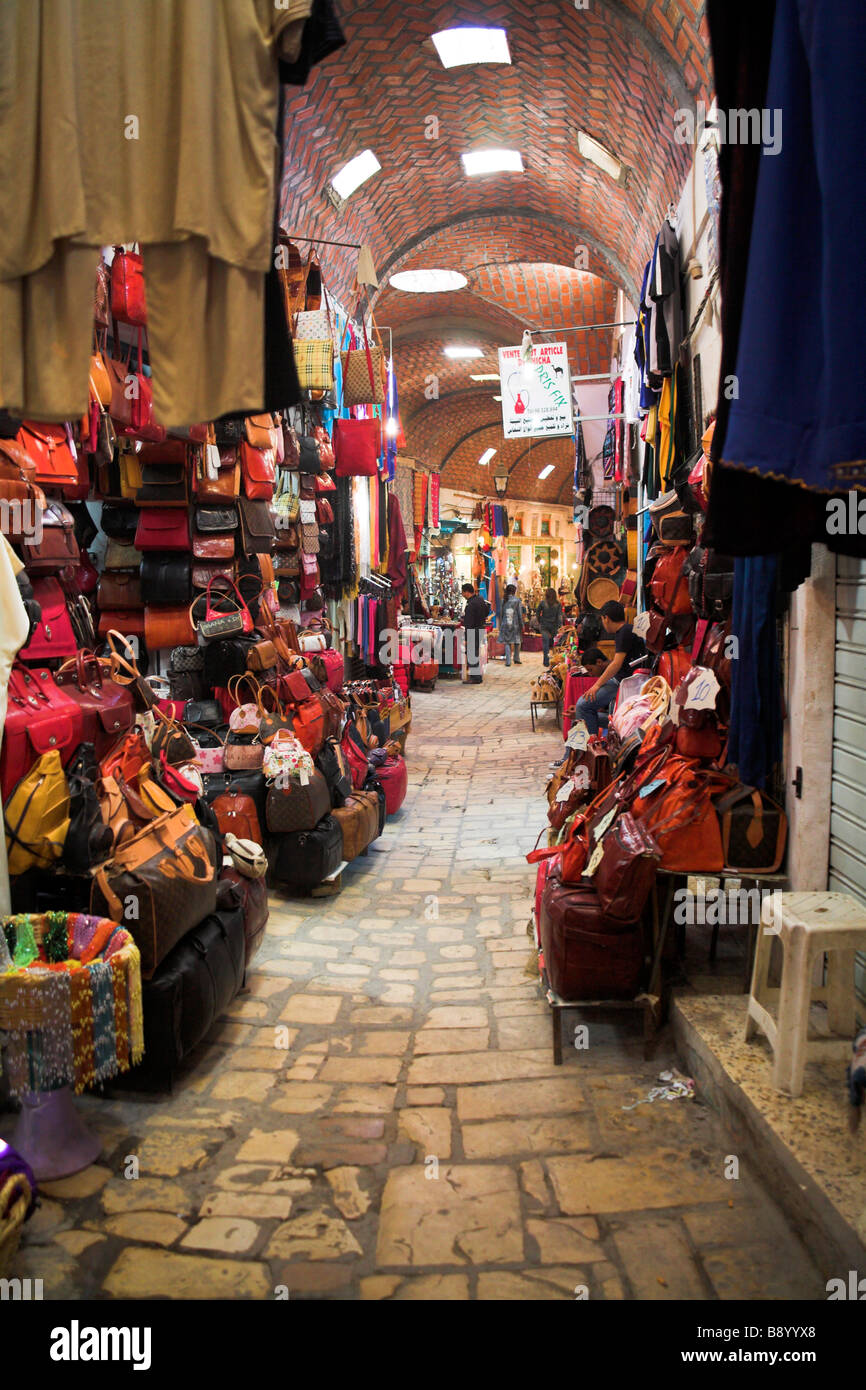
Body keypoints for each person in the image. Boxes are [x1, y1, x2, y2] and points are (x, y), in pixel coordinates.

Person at [574, 600, 646, 735]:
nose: (602, 623)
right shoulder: (624, 631)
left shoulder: (624, 631)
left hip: (624, 682)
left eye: (602, 619)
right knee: (583, 710)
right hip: (621, 680)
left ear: (606, 618)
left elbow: (616, 663)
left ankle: (591, 747)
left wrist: (596, 685)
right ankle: (591, 746)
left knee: (583, 706)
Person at [461, 582, 490, 684]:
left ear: (467, 592)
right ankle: (476, 676)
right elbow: (487, 611)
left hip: (473, 631)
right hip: (480, 629)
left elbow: (468, 623)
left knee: (472, 654)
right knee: (475, 653)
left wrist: (466, 638)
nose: (463, 595)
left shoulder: (471, 604)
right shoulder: (480, 600)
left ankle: (475, 678)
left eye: (463, 593)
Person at [535, 587, 563, 667]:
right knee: (555, 644)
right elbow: (559, 616)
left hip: (544, 626)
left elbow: (537, 613)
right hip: (554, 626)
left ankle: (546, 662)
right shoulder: (558, 604)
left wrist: (540, 621)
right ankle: (555, 661)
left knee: (545, 644)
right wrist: (560, 627)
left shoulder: (542, 603)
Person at [498, 583, 524, 666]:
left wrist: (501, 623)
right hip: (515, 624)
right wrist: (522, 624)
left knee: (507, 642)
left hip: (505, 623)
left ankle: (508, 661)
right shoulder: (517, 601)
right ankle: (516, 658)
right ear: (514, 591)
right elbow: (519, 614)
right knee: (517, 641)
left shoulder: (503, 600)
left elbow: (501, 613)